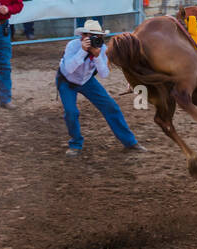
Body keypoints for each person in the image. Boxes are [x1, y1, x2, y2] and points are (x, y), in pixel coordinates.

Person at [57, 19, 142, 156]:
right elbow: (69, 69)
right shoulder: (73, 45)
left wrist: (96, 56)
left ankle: (130, 142)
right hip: (67, 81)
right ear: (83, 36)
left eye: (99, 36)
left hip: (86, 81)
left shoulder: (102, 49)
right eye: (92, 35)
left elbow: (104, 74)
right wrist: (83, 52)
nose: (96, 39)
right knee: (71, 112)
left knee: (111, 107)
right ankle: (76, 143)